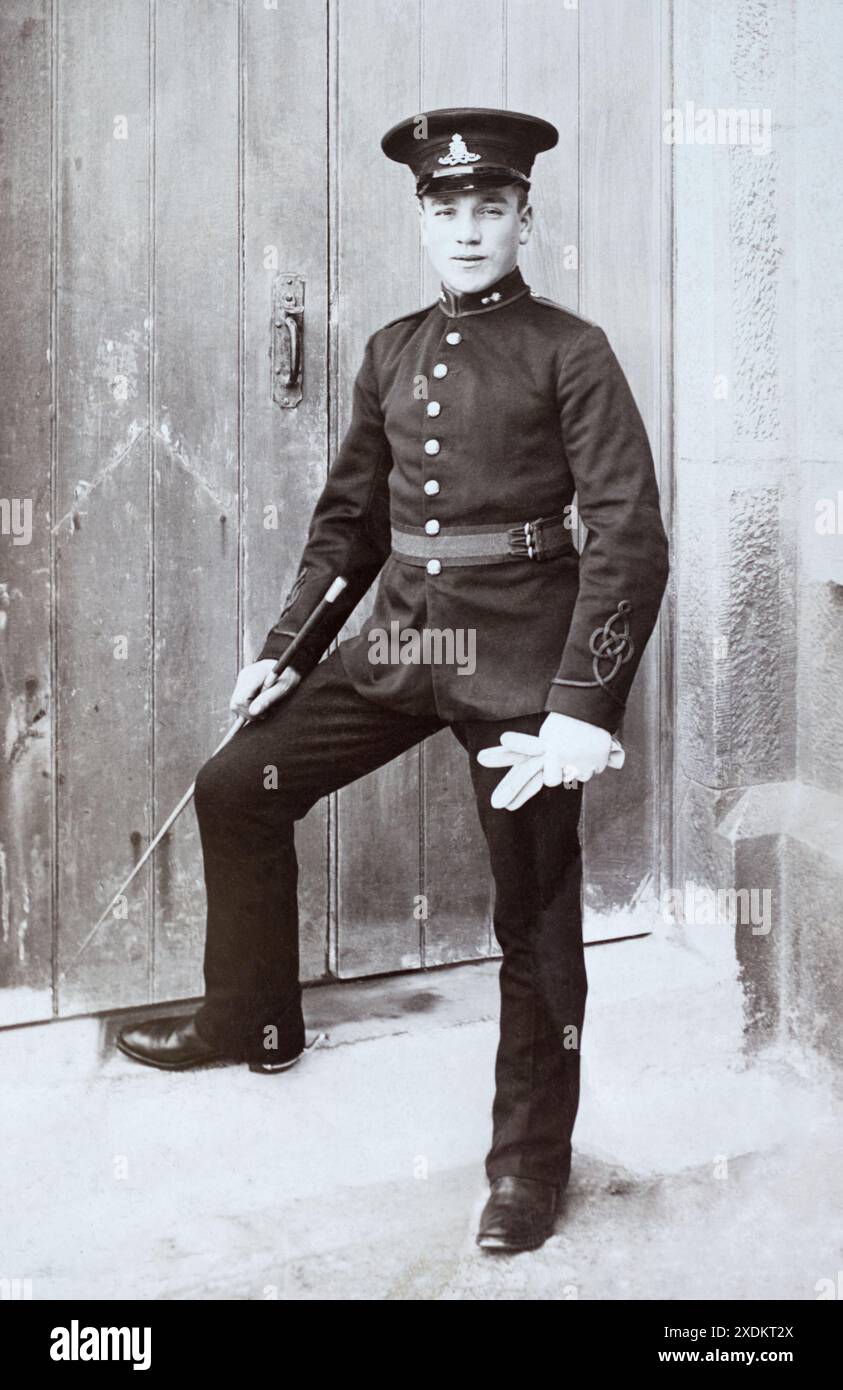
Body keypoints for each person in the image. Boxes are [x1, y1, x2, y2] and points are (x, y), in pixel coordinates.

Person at [117, 108, 670, 1254]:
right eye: (445, 207)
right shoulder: (390, 349)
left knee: (534, 914)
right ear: (422, 218)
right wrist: (284, 650)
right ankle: (253, 1016)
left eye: (489, 207)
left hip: (523, 662)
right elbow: (349, 528)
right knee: (240, 785)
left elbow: (628, 535)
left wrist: (581, 708)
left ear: (526, 216)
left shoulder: (573, 348)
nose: (467, 228)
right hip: (413, 644)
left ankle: (527, 1167)